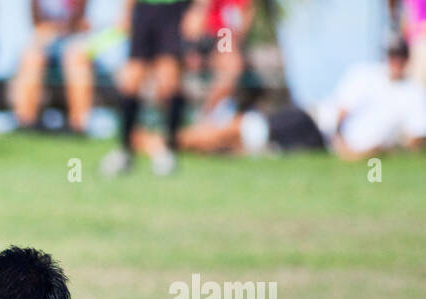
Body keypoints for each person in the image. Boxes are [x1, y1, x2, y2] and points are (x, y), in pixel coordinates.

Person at [177, 39, 426, 159]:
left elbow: (414, 139)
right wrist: (343, 146)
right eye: (393, 55)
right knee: (237, 131)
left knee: (238, 148)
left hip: (318, 143)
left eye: (400, 55)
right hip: (312, 122)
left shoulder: (413, 94)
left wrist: (380, 150)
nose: (396, 61)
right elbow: (340, 113)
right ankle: (169, 141)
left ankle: (169, 144)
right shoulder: (366, 74)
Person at [101, 0, 191, 176]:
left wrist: (197, 10)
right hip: (144, 10)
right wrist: (126, 12)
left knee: (168, 83)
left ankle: (168, 150)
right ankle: (125, 150)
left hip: (173, 9)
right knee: (131, 82)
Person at [12, 0, 90, 132]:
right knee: (31, 58)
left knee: (76, 59)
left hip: (72, 38)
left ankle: (78, 125)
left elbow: (80, 20)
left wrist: (61, 28)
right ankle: (25, 122)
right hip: (47, 37)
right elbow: (37, 22)